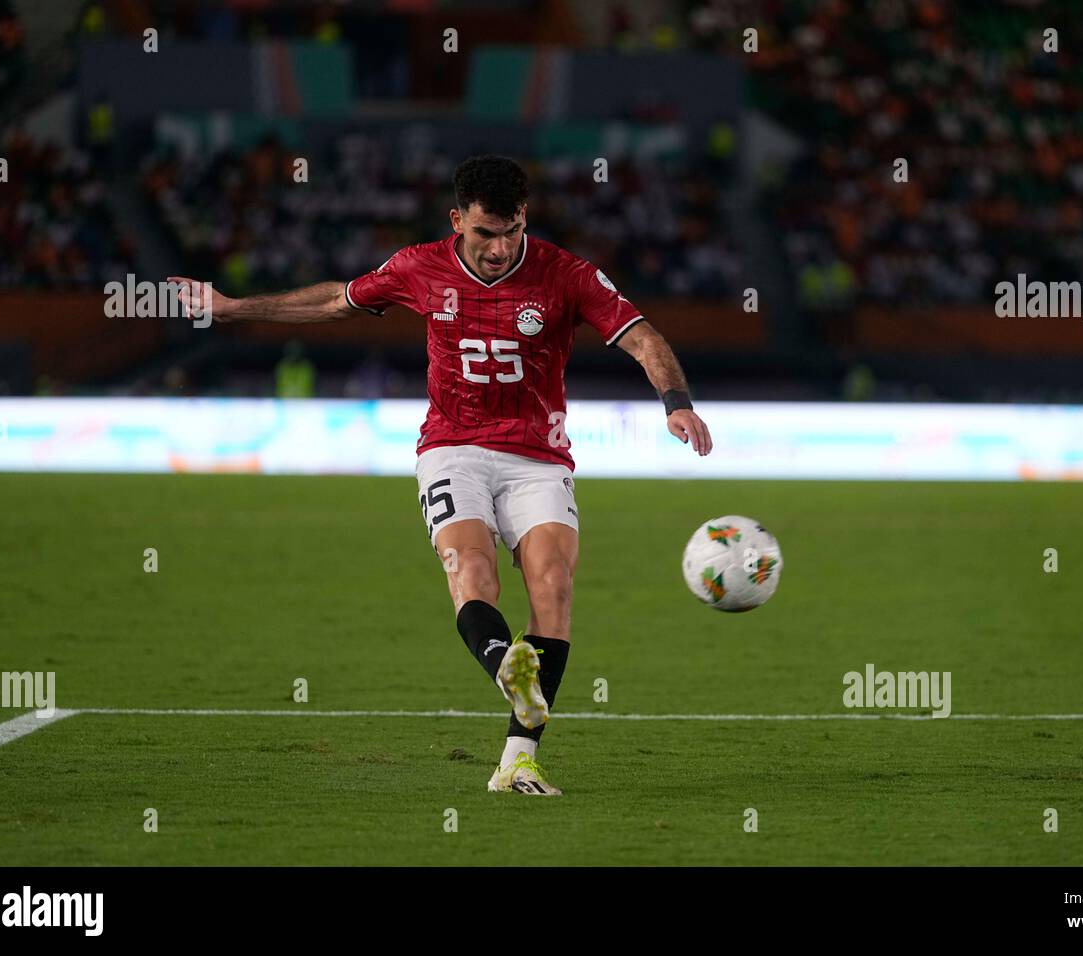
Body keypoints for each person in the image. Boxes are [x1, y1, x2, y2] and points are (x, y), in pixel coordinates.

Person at [170, 154, 712, 795]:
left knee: (554, 586)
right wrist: (233, 309)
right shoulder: (418, 267)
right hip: (453, 446)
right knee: (473, 569)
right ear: (457, 221)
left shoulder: (567, 275)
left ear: (525, 220)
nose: (498, 247)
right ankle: (504, 666)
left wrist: (676, 404)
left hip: (539, 454)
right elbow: (335, 302)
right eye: (485, 234)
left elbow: (644, 338)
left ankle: (517, 761)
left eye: (511, 232)